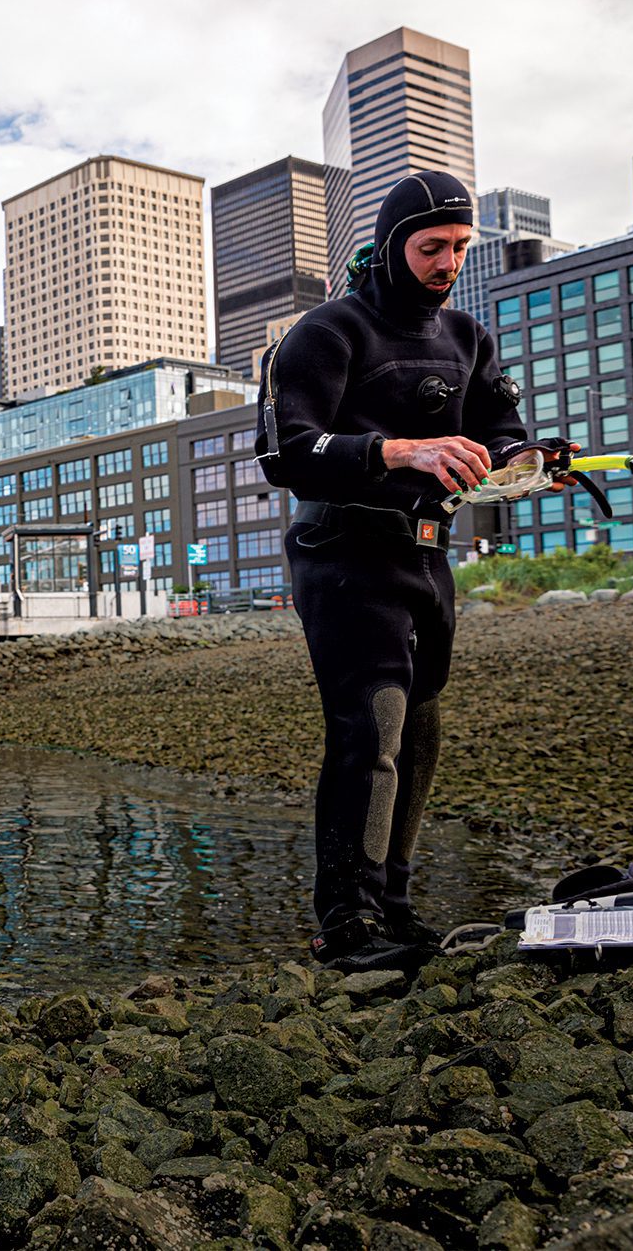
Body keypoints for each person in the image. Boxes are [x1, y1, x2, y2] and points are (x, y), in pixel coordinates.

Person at [254, 171, 574, 972]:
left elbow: (503, 435)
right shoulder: (328, 332)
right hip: (343, 554)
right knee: (372, 728)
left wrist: (533, 461)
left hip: (427, 555)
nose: (448, 261)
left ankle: (393, 905)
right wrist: (400, 449)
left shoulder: (467, 339)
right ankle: (344, 921)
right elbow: (285, 451)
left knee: (419, 734)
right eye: (431, 246)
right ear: (393, 244)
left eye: (461, 246)